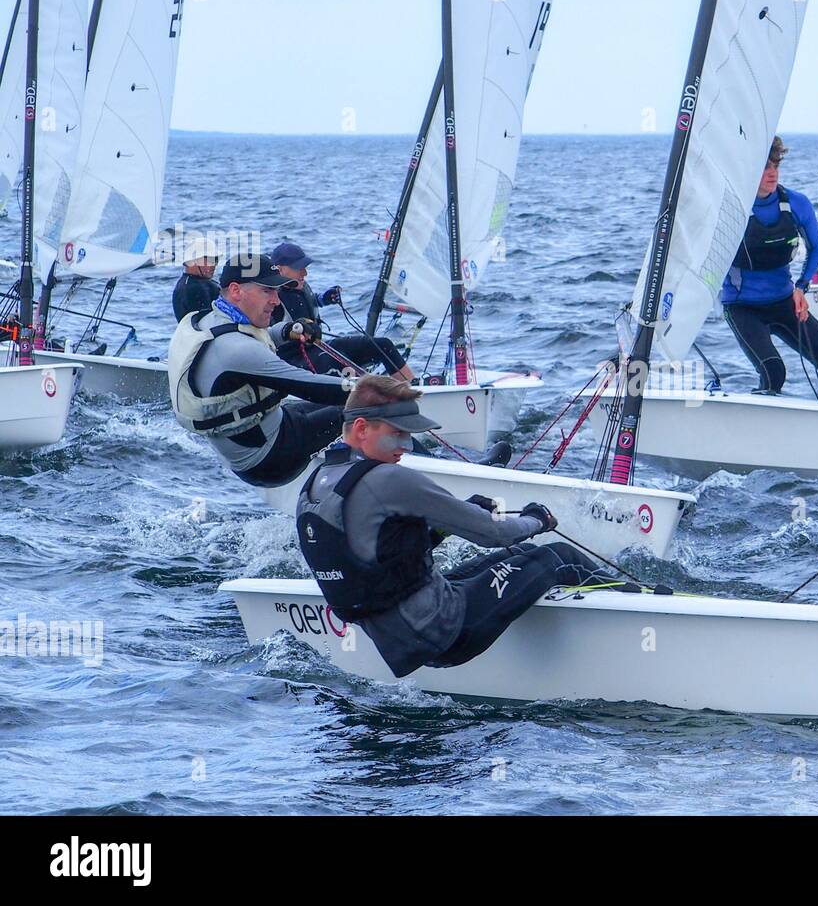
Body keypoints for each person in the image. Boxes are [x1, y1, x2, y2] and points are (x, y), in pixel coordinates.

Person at [296, 374, 605, 676]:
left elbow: (380, 560)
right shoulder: (387, 478)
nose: (406, 446)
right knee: (558, 555)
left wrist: (449, 522)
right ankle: (641, 600)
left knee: (519, 552)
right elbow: (493, 533)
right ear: (362, 428)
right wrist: (537, 519)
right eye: (399, 433)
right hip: (449, 630)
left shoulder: (316, 485)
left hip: (398, 641)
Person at [168, 254, 355, 488]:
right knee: (364, 406)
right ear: (236, 291)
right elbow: (312, 387)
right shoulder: (237, 351)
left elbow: (250, 334)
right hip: (269, 460)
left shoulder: (208, 319)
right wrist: (376, 389)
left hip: (260, 435)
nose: (277, 301)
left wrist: (286, 330)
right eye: (268, 291)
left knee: (339, 406)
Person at [721, 137, 818, 403]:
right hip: (742, 307)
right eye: (764, 167)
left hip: (784, 303)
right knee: (774, 371)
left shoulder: (795, 203)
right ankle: (758, 435)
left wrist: (801, 287)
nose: (772, 173)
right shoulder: (731, 209)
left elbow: (817, 248)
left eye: (775, 165)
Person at [268, 241, 417, 381]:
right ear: (280, 269)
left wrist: (324, 299)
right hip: (293, 360)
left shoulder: (300, 285)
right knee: (342, 363)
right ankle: (369, 397)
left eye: (304, 267)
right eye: (298, 268)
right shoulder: (271, 297)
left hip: (317, 347)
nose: (304, 273)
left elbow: (310, 302)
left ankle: (412, 388)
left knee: (382, 345)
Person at [171, 235, 222, 322]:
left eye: (216, 260)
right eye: (210, 260)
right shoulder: (193, 288)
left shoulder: (195, 284)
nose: (214, 264)